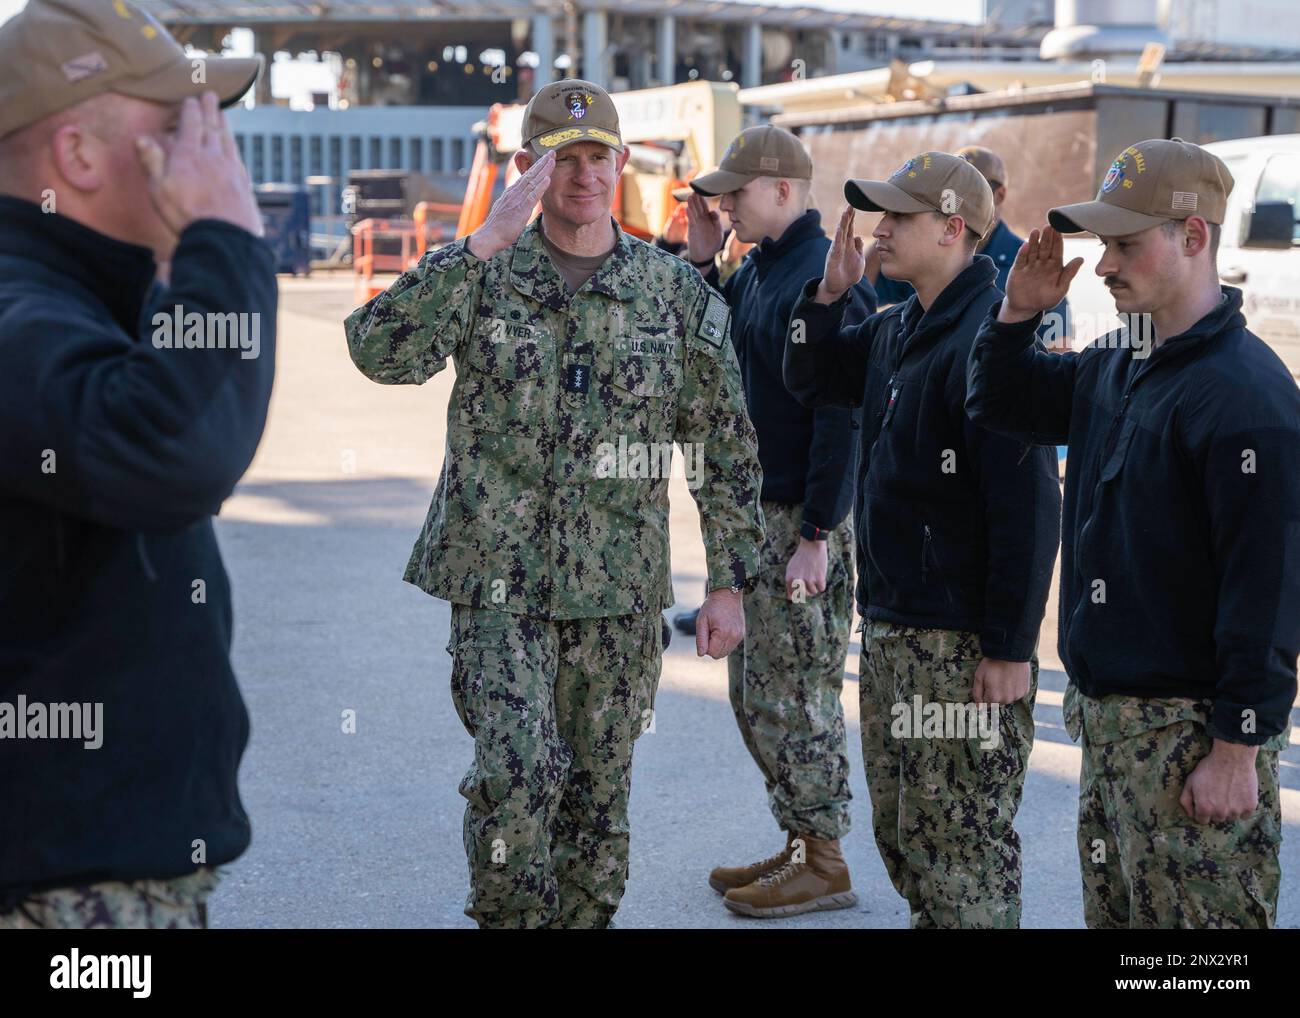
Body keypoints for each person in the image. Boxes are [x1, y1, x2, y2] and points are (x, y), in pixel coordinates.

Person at [344, 78, 765, 929]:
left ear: (622, 164)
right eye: (560, 158)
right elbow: (377, 352)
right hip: (496, 584)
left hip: (618, 593)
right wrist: (479, 245)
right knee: (514, 770)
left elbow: (723, 445)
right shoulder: (486, 274)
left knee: (597, 800)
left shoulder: (672, 294)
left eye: (596, 156)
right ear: (528, 169)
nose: (581, 174)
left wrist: (730, 583)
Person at [966, 137, 1300, 928]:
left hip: (1190, 743)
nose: (1105, 263)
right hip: (1114, 733)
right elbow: (1004, 404)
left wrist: (1236, 751)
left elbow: (1271, 590)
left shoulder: (1246, 397)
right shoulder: (1121, 359)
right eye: (1104, 242)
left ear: (1194, 238)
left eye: (1124, 243)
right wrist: (1017, 314)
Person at [0, 0, 273, 928]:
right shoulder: (17, 311)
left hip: (93, 865)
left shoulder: (74, 297)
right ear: (77, 157)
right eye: (174, 127)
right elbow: (172, 450)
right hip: (60, 890)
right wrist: (225, 243)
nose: (209, 147)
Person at [784, 151, 1061, 928]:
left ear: (951, 228)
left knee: (960, 858)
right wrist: (829, 295)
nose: (878, 231)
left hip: (961, 650)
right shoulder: (897, 325)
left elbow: (1030, 507)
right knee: (908, 842)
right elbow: (813, 381)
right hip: (895, 631)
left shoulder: (989, 336)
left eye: (897, 217)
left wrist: (1008, 648)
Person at [677, 124, 875, 917]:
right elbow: (704, 338)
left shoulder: (828, 279)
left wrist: (817, 536)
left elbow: (843, 415)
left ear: (786, 190)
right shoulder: (756, 268)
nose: (723, 202)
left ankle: (823, 860)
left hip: (799, 521)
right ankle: (799, 841)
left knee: (796, 697)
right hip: (756, 517)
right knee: (755, 693)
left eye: (737, 191)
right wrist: (698, 258)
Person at [866, 145, 1070, 343]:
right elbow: (867, 292)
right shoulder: (917, 258)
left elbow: (1057, 348)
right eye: (951, 186)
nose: (960, 194)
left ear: (999, 195)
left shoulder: (1029, 263)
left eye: (976, 185)